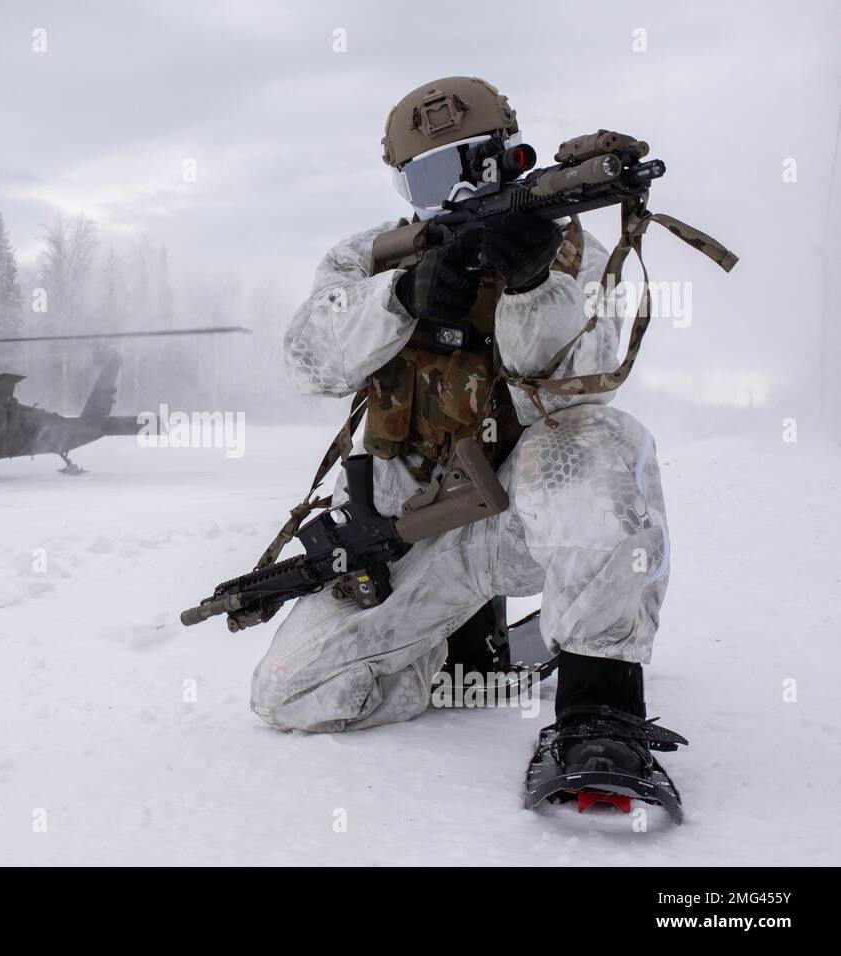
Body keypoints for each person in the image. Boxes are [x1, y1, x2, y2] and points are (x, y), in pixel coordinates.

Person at [250, 77, 676, 790]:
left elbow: (585, 380)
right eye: (426, 176)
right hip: (410, 535)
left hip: (518, 523)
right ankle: (456, 660)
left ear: (508, 158)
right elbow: (308, 361)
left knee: (600, 444)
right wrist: (401, 297)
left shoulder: (570, 251)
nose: (451, 191)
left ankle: (599, 713)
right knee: (289, 693)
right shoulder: (370, 257)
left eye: (469, 163)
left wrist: (532, 282)